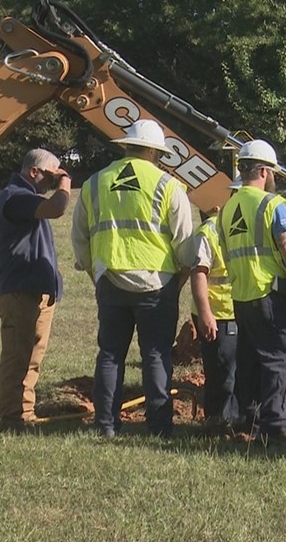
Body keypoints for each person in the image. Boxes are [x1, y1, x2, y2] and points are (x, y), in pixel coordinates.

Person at [72, 120, 193, 438]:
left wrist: (94, 272)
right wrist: (179, 278)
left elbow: (80, 237)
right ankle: (159, 426)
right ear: (154, 151)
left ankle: (106, 425)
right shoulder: (168, 186)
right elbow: (185, 244)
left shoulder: (95, 183)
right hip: (156, 282)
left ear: (126, 145)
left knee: (110, 353)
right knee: (155, 353)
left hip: (110, 278)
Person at [220, 139, 286, 446]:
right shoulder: (273, 205)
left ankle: (246, 418)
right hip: (269, 294)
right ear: (263, 171)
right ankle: (276, 427)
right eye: (271, 171)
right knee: (280, 357)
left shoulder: (227, 208)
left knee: (249, 360)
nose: (273, 177)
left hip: (242, 296)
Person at [0, 149, 71, 432]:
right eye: (51, 174)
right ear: (33, 172)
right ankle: (11, 417)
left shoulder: (26, 198)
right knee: (17, 355)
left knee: (31, 357)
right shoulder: (16, 197)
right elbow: (57, 208)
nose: (54, 180)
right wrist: (65, 183)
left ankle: (24, 413)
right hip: (19, 291)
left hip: (35, 290)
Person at [188, 178, 255, 435]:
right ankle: (217, 422)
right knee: (222, 372)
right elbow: (199, 272)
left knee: (241, 370)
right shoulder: (210, 231)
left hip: (241, 307)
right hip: (218, 312)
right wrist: (206, 313)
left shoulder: (239, 226)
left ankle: (238, 419)